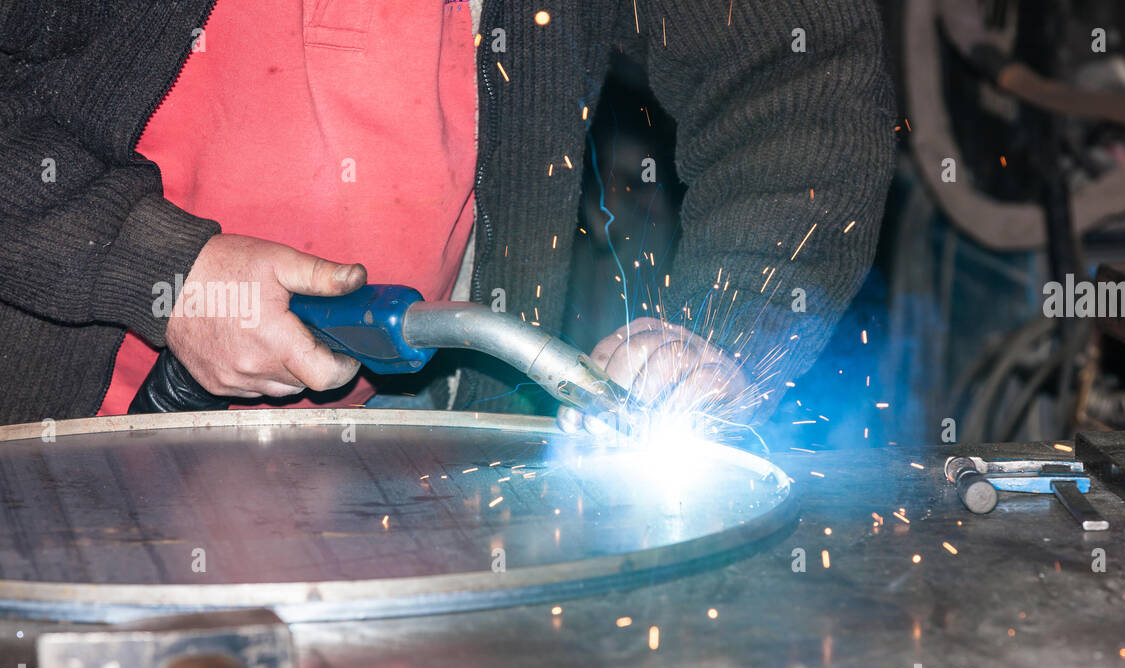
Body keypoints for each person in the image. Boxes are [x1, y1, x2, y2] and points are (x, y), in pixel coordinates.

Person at [0, 0, 894, 430]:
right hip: (44, 475)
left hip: (408, 478)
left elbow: (795, 74)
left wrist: (728, 333)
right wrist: (151, 263)